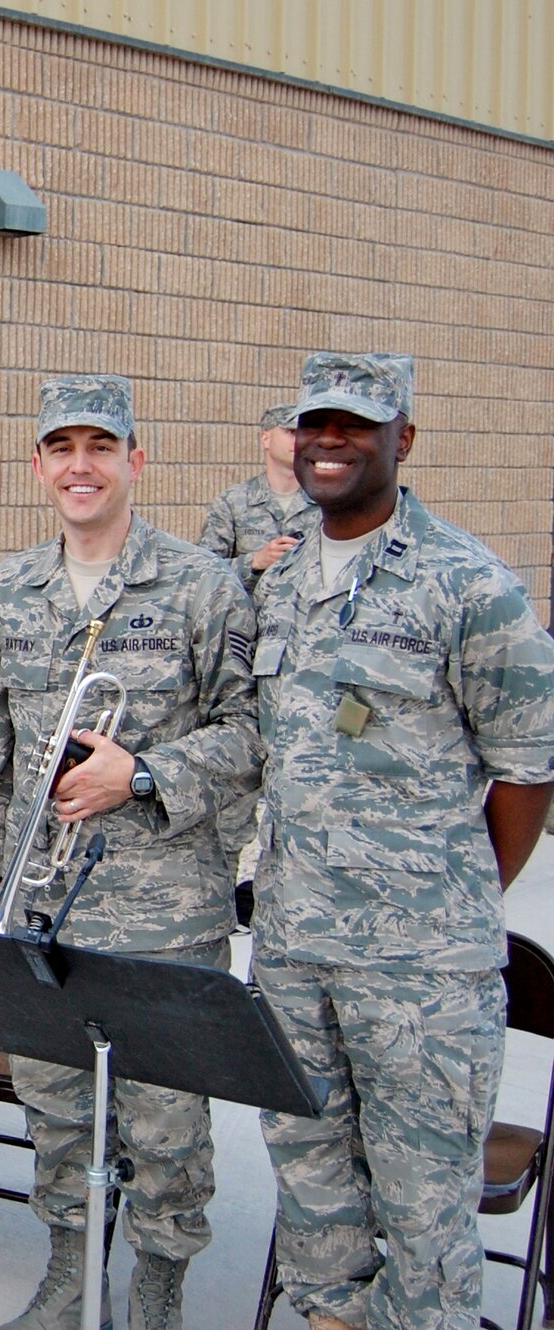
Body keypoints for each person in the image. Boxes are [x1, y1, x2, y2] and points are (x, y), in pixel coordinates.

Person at [252, 353, 554, 1330]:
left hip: (419, 975)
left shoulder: (470, 587)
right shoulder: (275, 578)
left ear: (402, 441)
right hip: (294, 956)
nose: (329, 442)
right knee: (313, 1209)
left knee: (425, 1234)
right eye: (315, 424)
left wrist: (451, 893)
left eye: (355, 425)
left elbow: (524, 771)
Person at [0, 375, 258, 1330]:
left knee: (166, 1116)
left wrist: (141, 775)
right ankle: (68, 1269)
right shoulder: (12, 587)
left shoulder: (204, 583)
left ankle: (158, 1288)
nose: (79, 466)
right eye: (61, 449)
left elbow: (253, 732)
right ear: (38, 465)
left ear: (137, 460)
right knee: (52, 1099)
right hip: (43, 900)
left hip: (166, 906)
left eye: (100, 447)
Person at [197, 403, 320, 591]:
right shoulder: (234, 502)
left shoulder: (325, 502)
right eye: (290, 432)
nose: (298, 440)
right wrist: (255, 561)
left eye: (304, 433)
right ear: (266, 438)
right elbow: (201, 572)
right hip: (249, 617)